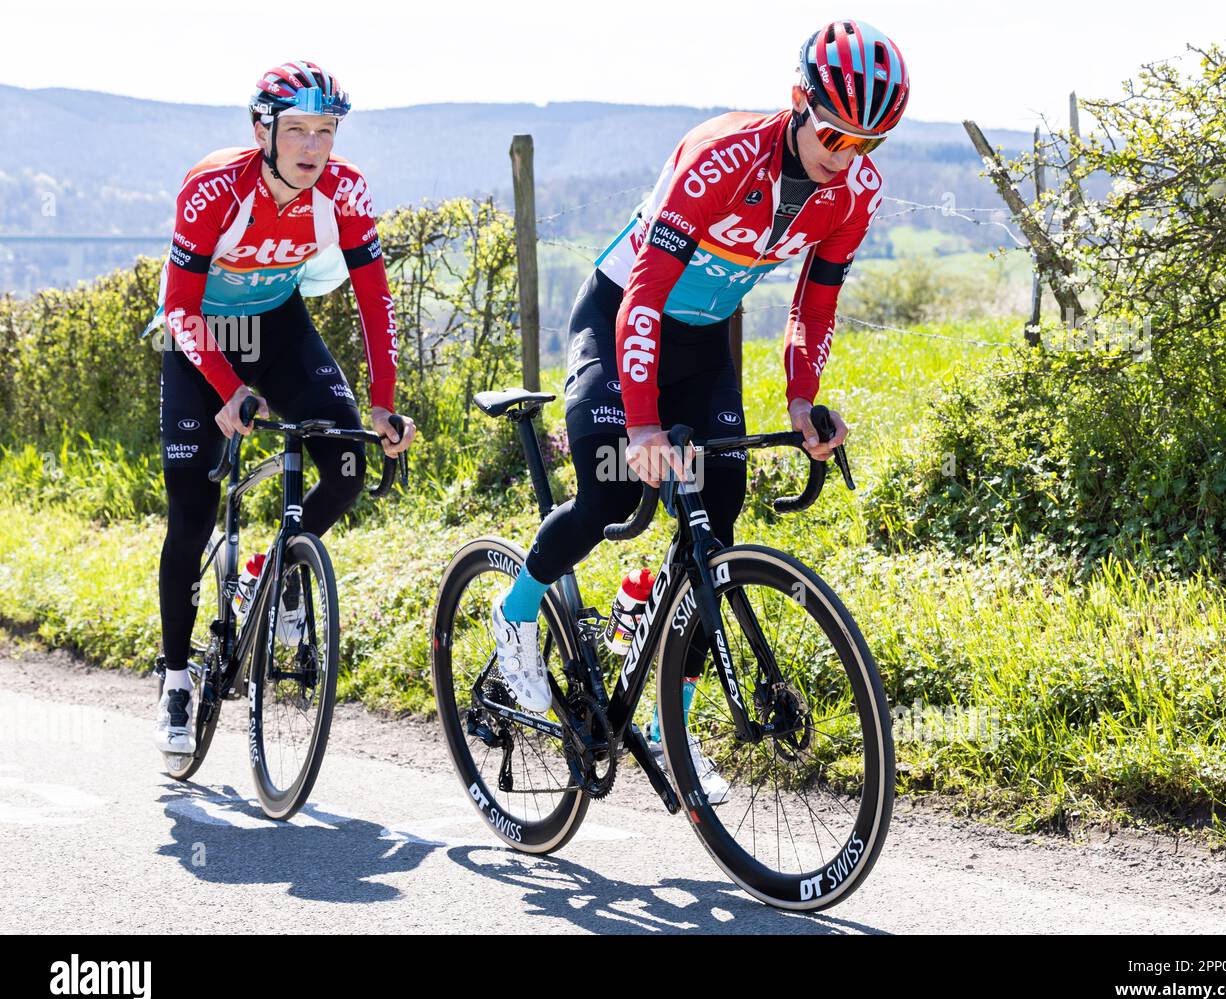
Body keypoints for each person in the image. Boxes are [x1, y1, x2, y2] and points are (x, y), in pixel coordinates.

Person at [490, 20, 909, 800]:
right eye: (834, 133)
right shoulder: (719, 156)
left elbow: (817, 301)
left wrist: (802, 398)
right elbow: (644, 294)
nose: (846, 155)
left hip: (705, 336)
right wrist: (642, 423)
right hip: (621, 319)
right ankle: (515, 613)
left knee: (718, 509)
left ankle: (665, 726)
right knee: (613, 489)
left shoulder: (853, 192)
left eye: (869, 142)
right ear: (798, 102)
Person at [152, 61, 415, 754]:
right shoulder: (215, 188)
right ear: (261, 130)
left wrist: (384, 404)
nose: (311, 147)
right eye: (296, 130)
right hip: (204, 339)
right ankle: (177, 679)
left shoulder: (346, 190)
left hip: (278, 328)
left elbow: (374, 301)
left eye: (324, 132)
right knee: (191, 516)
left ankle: (280, 573)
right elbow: (178, 305)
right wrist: (222, 385)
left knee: (348, 464)